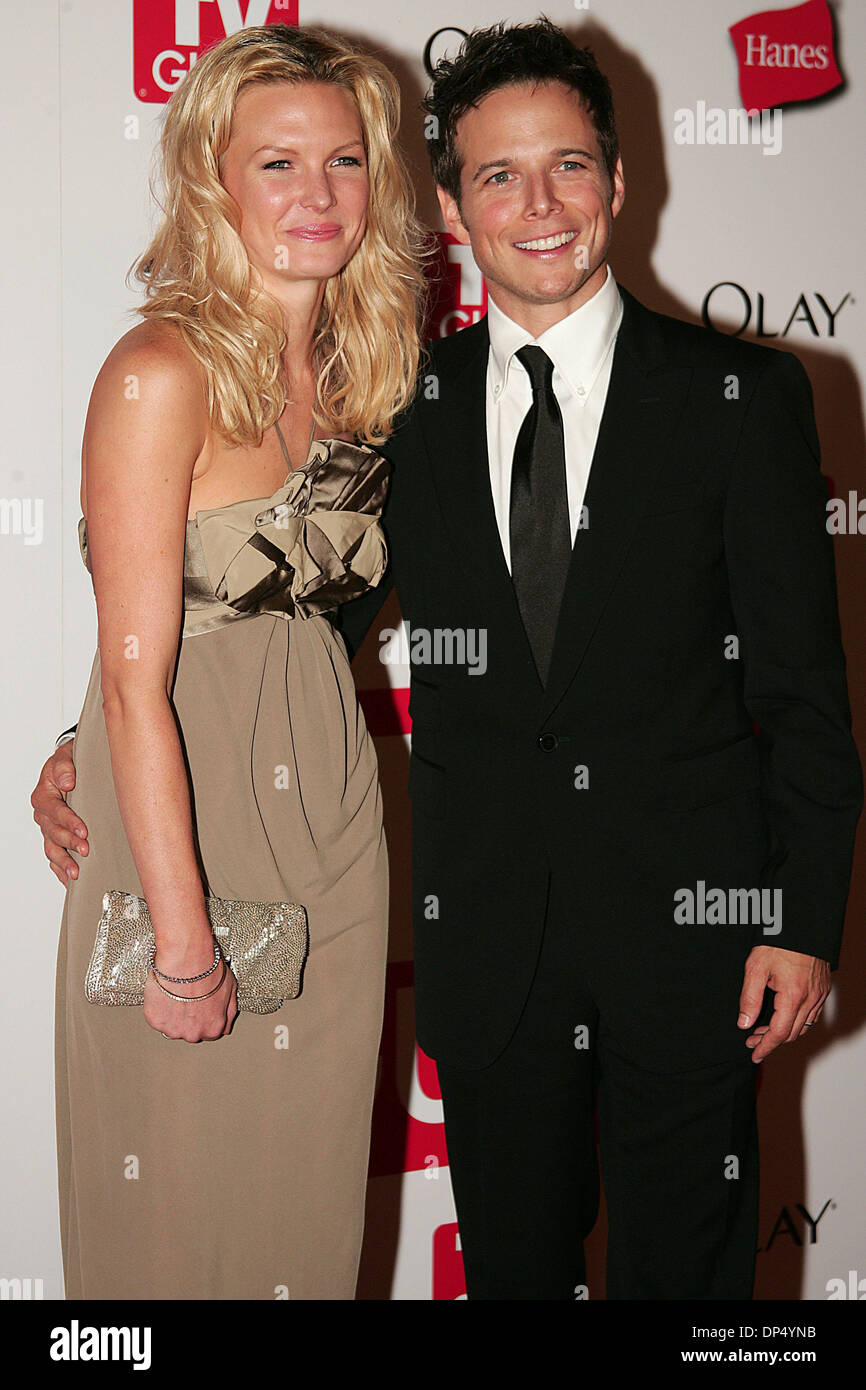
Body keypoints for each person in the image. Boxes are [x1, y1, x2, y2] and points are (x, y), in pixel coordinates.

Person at [34, 19, 862, 1300]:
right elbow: (263, 606)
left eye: (568, 167)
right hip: (487, 952)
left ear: (618, 182)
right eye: (495, 176)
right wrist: (79, 743)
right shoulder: (406, 404)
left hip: (687, 944)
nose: (537, 205)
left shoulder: (734, 397)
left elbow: (805, 694)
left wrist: (800, 919)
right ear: (451, 202)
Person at [31, 23, 428, 1300]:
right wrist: (186, 943)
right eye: (276, 163)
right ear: (213, 177)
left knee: (300, 1215)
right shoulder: (160, 371)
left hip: (328, 812)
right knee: (178, 1214)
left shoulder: (372, 375)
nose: (317, 195)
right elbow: (140, 673)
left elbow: (278, 611)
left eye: (346, 160)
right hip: (182, 826)